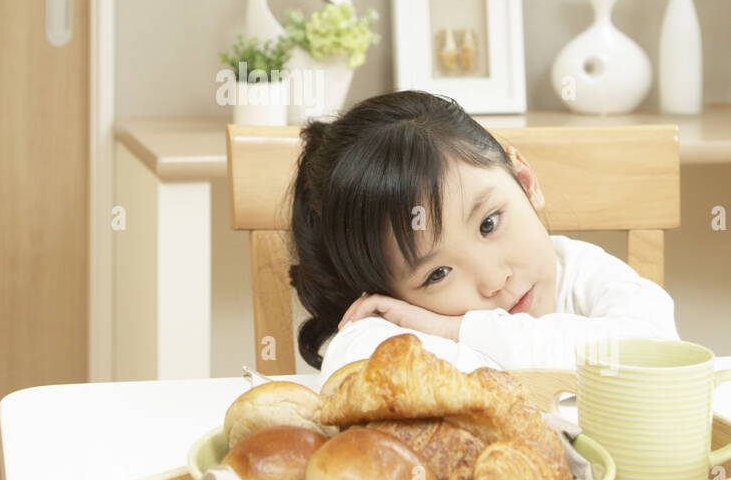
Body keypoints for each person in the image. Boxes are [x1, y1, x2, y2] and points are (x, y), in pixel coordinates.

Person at [287, 90, 679, 386]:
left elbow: (656, 350)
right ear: (390, 297)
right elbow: (353, 362)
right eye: (438, 273)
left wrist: (456, 331)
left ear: (525, 181)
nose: (493, 281)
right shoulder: (393, 323)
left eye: (489, 224)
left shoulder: (582, 272)